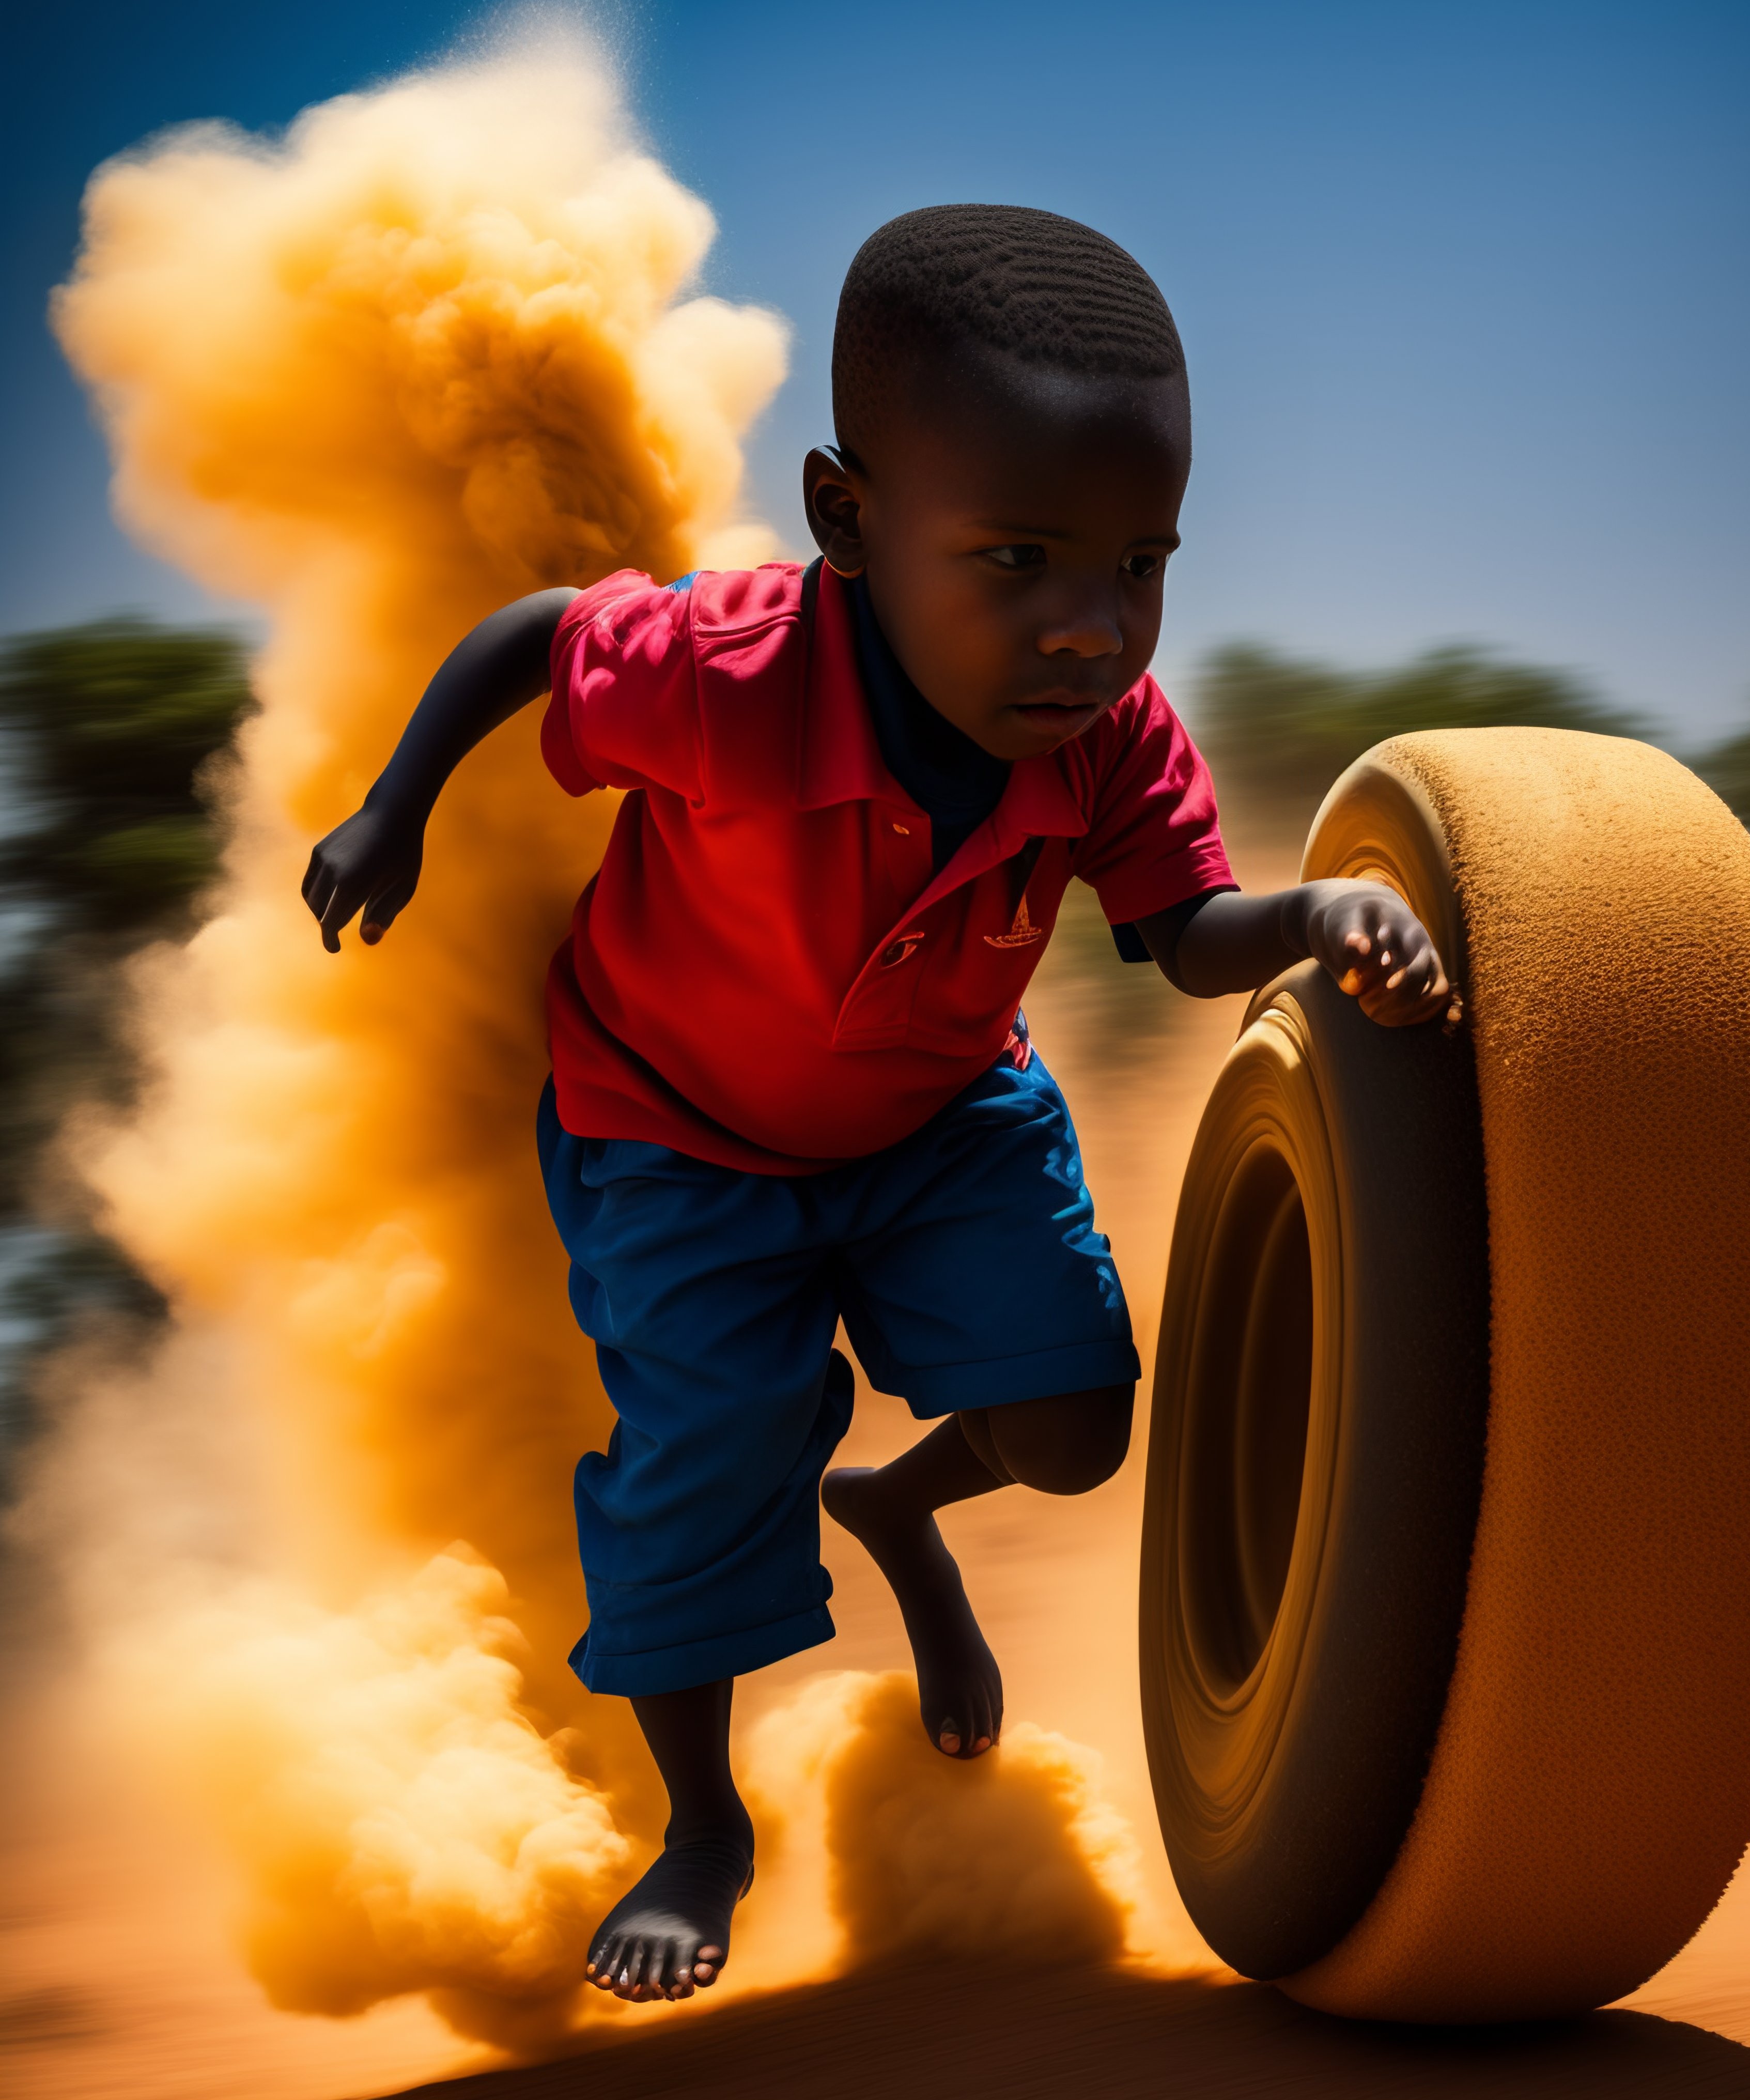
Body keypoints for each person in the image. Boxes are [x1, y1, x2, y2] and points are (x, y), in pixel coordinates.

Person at [302, 205, 1453, 2004]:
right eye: (1019, 561)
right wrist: (397, 807)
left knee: (1077, 1421)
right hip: (674, 1132)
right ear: (848, 525)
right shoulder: (728, 674)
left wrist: (1319, 921)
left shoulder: (1112, 740)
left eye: (1140, 565)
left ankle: (901, 1511)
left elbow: (1184, 934)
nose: (1091, 630)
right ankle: (704, 1831)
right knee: (708, 1469)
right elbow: (538, 639)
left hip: (941, 1118)